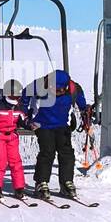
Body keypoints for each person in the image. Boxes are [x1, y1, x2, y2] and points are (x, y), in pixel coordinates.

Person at [30, 70, 91, 200]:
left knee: (67, 153)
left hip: (63, 125)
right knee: (47, 152)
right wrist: (25, 116)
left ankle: (66, 182)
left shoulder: (74, 89)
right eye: (54, 90)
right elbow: (24, 98)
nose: (56, 93)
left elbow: (81, 103)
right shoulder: (39, 85)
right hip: (43, 125)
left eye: (59, 90)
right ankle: (41, 182)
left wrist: (85, 111)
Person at [0, 80, 34, 201]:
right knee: (1, 162)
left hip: (12, 137)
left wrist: (30, 125)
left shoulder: (19, 107)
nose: (15, 99)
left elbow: (22, 120)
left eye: (17, 97)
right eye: (13, 96)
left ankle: (19, 188)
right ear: (6, 94)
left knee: (16, 162)